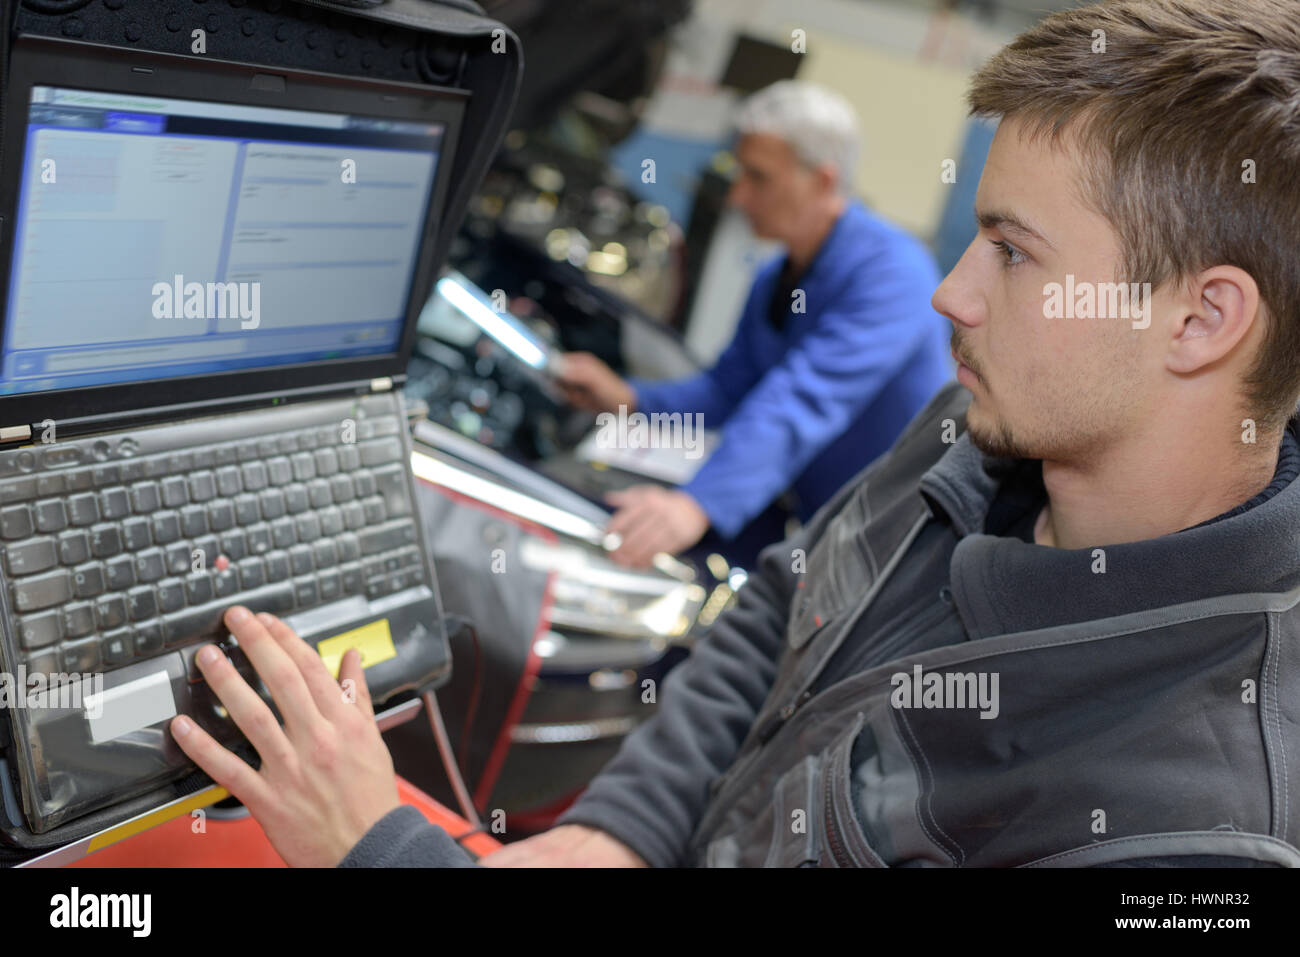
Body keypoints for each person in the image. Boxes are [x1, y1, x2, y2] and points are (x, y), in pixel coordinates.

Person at [172, 0, 1300, 867]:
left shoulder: (1189, 837)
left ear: (1201, 319)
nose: (949, 293)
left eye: (1011, 251)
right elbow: (784, 604)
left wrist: (381, 847)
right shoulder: (974, 431)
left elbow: (792, 413)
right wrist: (623, 826)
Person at [558, 81, 951, 569]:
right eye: (739, 174)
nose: (738, 197)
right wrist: (629, 401)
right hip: (822, 521)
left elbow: (802, 399)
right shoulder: (774, 277)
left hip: (898, 540)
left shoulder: (895, 274)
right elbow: (727, 391)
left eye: (758, 178)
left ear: (823, 182)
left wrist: (697, 504)